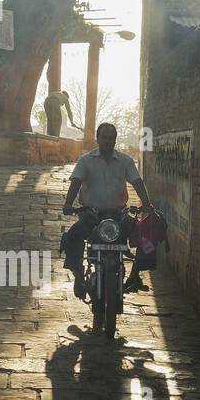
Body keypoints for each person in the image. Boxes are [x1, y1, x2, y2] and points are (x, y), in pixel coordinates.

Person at [61, 122, 153, 300]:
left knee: (146, 238)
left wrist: (147, 203)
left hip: (119, 215)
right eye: (104, 137)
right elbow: (76, 182)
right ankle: (79, 275)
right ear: (97, 139)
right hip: (91, 216)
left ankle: (135, 274)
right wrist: (68, 204)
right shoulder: (86, 161)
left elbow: (137, 182)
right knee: (71, 238)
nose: (108, 141)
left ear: (115, 140)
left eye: (111, 138)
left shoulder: (125, 161)